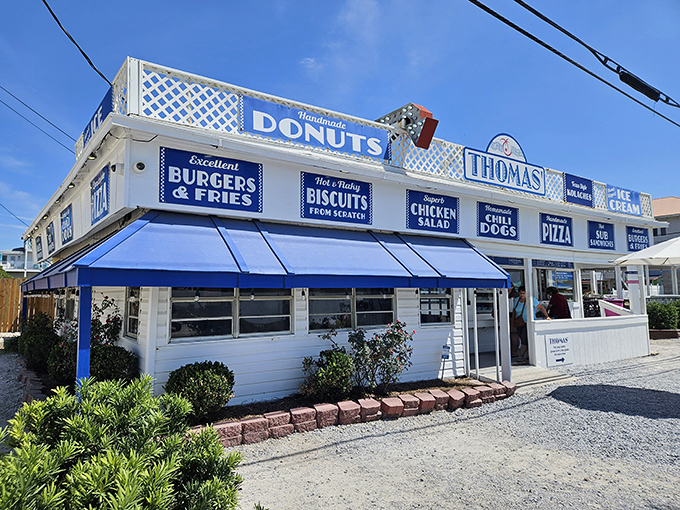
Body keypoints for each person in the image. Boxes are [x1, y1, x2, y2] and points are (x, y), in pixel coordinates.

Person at [512, 286, 550, 363]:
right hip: (519, 323)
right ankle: (529, 355)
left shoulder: (531, 299)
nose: (522, 295)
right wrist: (512, 321)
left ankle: (521, 356)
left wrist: (547, 316)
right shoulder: (516, 300)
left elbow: (541, 307)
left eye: (524, 293)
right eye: (521, 293)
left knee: (524, 339)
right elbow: (514, 311)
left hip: (528, 322)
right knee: (523, 338)